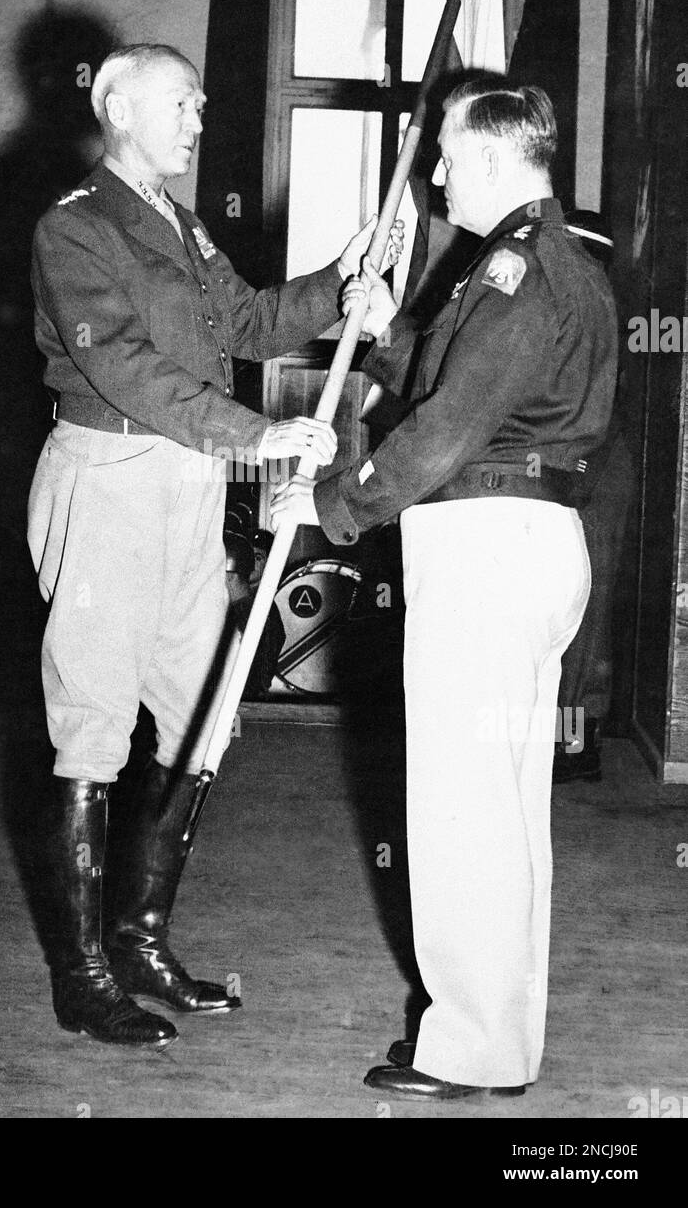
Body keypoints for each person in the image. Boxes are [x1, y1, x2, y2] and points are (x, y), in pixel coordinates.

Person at [28, 42, 398, 1048]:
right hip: (111, 479)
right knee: (94, 721)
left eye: (198, 101)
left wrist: (343, 280)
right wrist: (255, 435)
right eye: (182, 102)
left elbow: (246, 320)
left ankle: (142, 938)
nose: (198, 118)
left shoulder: (181, 228)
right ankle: (85, 971)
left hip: (187, 491)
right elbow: (129, 370)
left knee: (203, 712)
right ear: (120, 107)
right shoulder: (77, 228)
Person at [271, 78, 618, 1100]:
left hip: (487, 540)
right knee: (503, 809)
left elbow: (443, 432)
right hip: (532, 535)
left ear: (503, 159)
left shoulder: (515, 272)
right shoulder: (557, 263)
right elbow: (457, 377)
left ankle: (471, 1049)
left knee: (465, 807)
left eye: (452, 158)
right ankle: (497, 1032)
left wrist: (326, 505)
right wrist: (382, 331)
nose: (435, 175)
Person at [553, 210, 635, 784]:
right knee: (572, 611)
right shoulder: (582, 308)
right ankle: (568, 741)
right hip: (586, 471)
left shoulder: (592, 311)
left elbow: (597, 417)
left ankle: (575, 748)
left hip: (597, 474)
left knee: (586, 615)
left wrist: (573, 479)